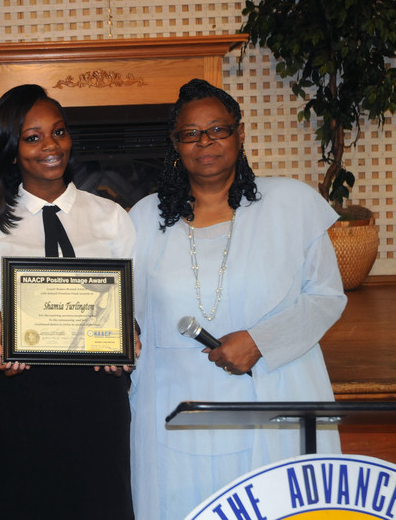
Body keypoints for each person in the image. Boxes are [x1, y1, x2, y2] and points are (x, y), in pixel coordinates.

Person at [128, 78, 347, 520]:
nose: (204, 142)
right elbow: (124, 309)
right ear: (175, 144)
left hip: (276, 390)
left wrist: (261, 341)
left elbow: (325, 296)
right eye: (189, 134)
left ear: (240, 133)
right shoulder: (144, 218)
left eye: (218, 129)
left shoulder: (291, 204)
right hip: (173, 404)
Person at [0, 84, 136, 520]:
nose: (51, 146)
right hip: (21, 396)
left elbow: (131, 312)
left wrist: (129, 339)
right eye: (32, 137)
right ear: (11, 150)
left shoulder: (112, 217)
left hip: (97, 395)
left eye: (58, 132)